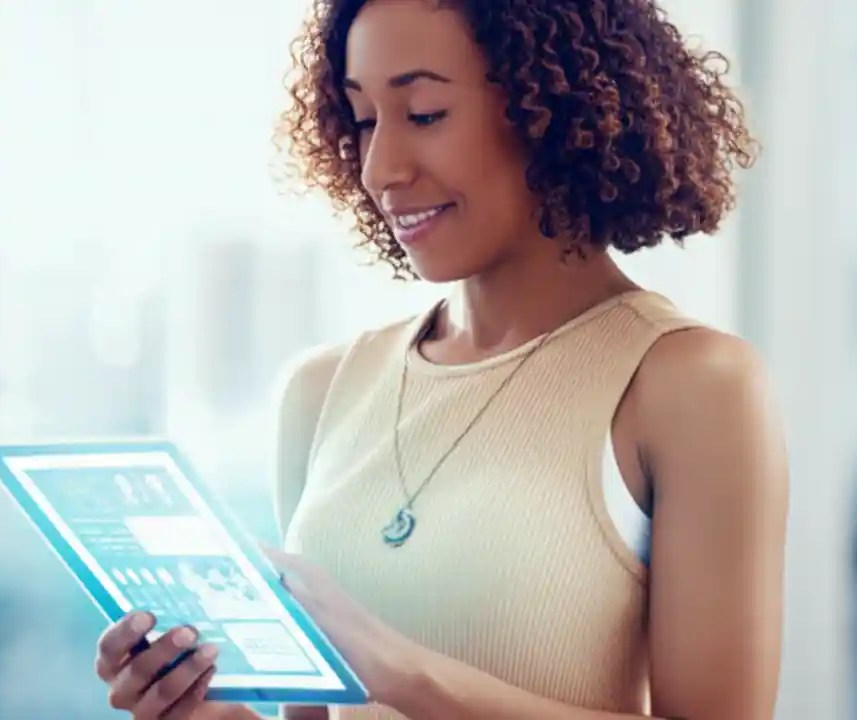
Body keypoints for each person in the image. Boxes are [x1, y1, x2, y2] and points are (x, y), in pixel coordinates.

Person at [95, 0, 788, 718]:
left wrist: (398, 670)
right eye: (364, 120)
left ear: (549, 107)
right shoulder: (322, 391)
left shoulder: (690, 386)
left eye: (423, 113)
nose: (380, 169)